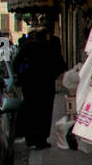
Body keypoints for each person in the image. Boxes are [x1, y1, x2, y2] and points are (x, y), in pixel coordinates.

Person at [12, 21, 65, 149]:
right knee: (44, 112)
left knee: (30, 111)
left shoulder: (28, 46)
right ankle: (41, 139)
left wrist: (23, 76)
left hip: (30, 86)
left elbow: (16, 63)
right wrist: (51, 76)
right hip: (46, 86)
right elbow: (61, 65)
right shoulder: (51, 47)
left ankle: (30, 138)